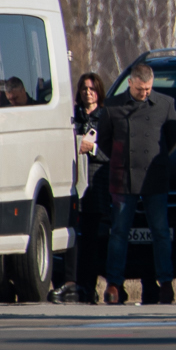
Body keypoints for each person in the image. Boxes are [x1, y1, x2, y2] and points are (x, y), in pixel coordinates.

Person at [99, 63, 176, 305]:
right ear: (130, 83)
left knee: (161, 232)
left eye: (148, 89)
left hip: (154, 178)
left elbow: (173, 140)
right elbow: (104, 140)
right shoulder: (113, 107)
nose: (145, 93)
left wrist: (158, 161)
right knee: (119, 232)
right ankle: (114, 283)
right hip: (123, 178)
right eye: (140, 89)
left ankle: (165, 282)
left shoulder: (165, 104)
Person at [69, 72, 110, 303]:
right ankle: (75, 284)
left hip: (96, 185)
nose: (88, 93)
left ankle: (90, 285)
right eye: (84, 88)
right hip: (74, 182)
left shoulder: (106, 117)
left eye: (92, 89)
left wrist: (91, 149)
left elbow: (112, 150)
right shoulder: (74, 116)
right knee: (77, 238)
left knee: (94, 239)